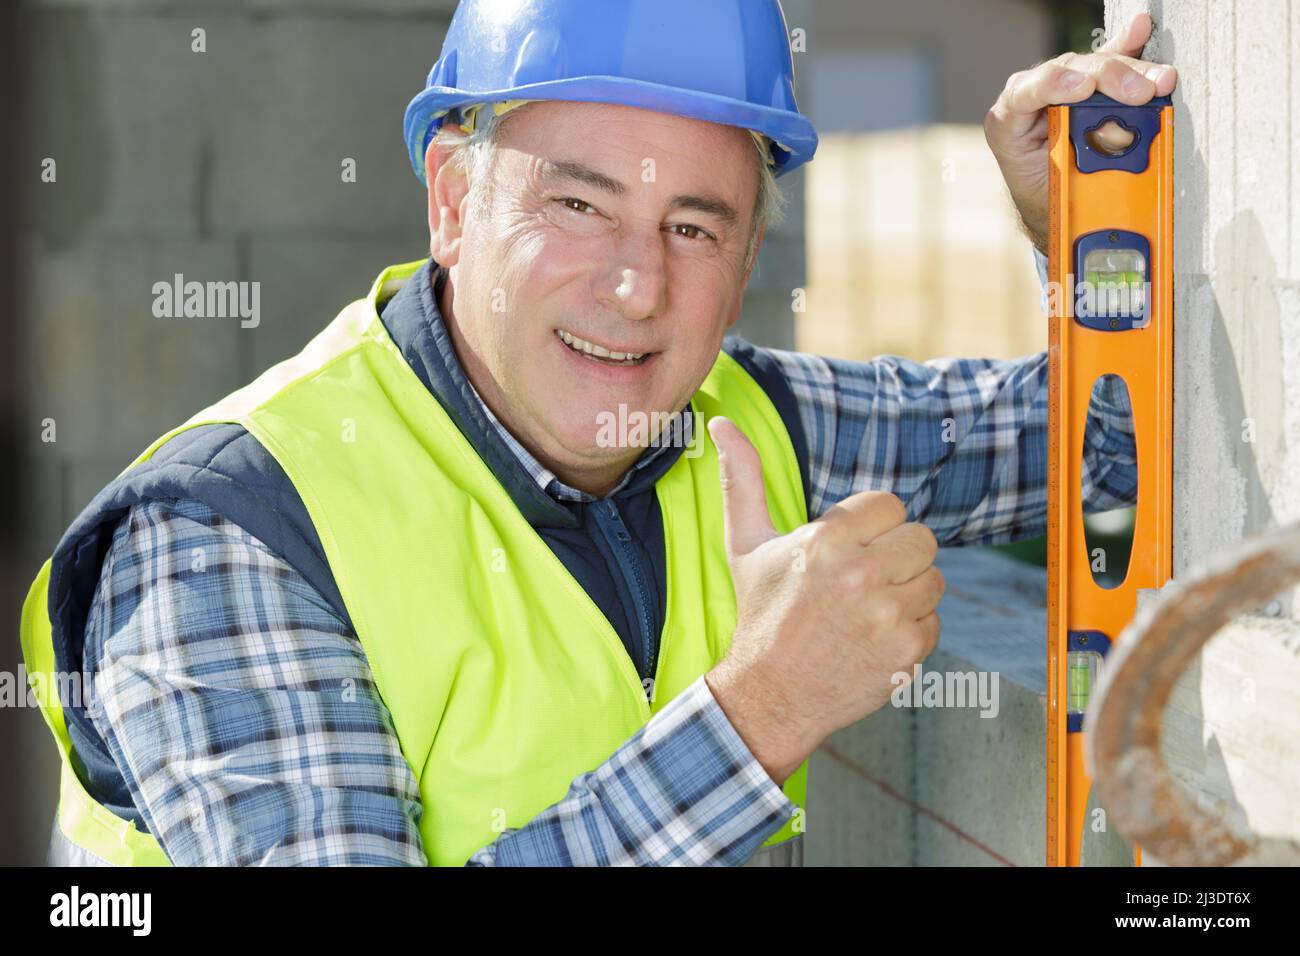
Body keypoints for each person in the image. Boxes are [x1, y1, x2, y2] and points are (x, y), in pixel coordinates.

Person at [19, 1, 1175, 866]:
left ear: (743, 268)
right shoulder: (228, 535)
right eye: (578, 205)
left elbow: (1097, 446)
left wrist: (1080, 233)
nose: (636, 285)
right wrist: (756, 711)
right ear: (454, 202)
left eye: (693, 226)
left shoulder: (739, 423)